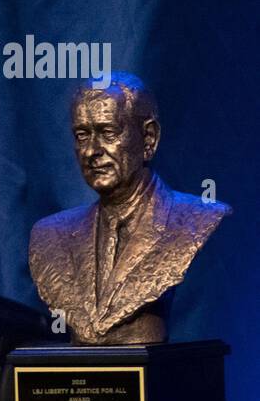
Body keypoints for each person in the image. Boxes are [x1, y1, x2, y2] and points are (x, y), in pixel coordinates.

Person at [29, 72, 230, 344]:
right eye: (82, 135)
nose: (91, 151)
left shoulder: (194, 219)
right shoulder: (50, 236)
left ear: (149, 139)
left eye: (108, 132)